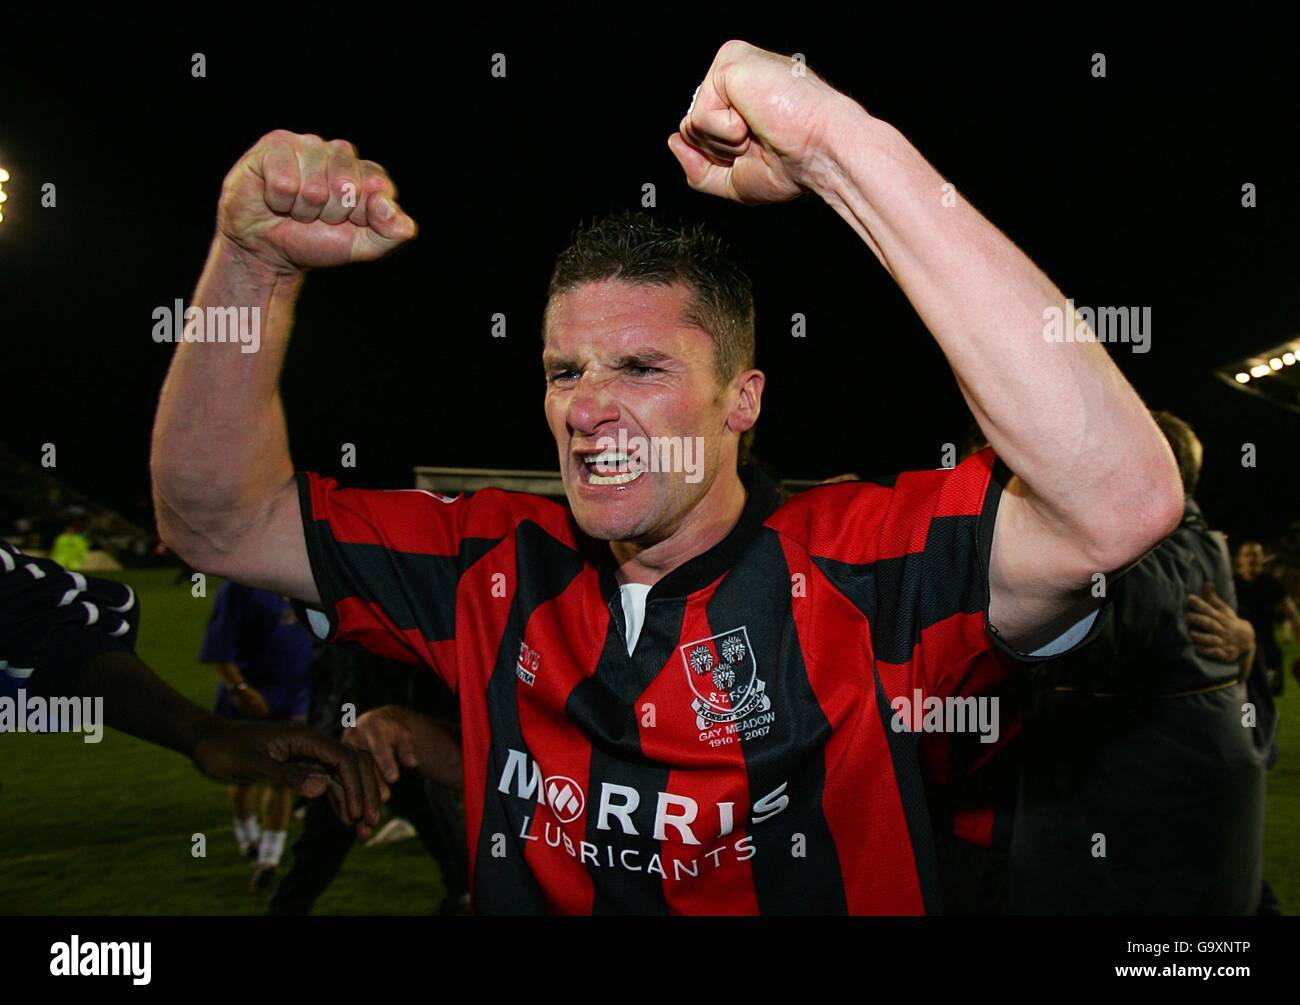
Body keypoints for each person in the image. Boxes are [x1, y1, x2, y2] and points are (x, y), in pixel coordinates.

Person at [149, 41, 1184, 914]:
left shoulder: (866, 569)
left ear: (742, 400)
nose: (587, 406)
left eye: (641, 369)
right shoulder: (493, 565)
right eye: (564, 370)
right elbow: (216, 520)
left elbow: (1117, 501)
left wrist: (836, 148)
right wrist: (253, 264)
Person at [1009, 412, 1272, 914]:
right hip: (1195, 785)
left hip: (1148, 799)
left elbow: (1075, 656)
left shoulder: (1146, 552)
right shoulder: (1198, 539)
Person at [0, 542, 382, 833]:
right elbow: (55, 617)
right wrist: (225, 704)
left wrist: (201, 732)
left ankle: (265, 853)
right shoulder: (239, 593)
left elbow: (43, 618)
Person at [268, 643, 468, 914]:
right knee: (317, 853)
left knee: (456, 856)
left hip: (409, 750)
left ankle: (461, 898)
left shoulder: (396, 618)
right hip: (351, 754)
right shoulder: (350, 624)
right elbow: (329, 681)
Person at [199, 581, 316, 891]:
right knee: (243, 777)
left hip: (294, 696)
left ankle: (269, 858)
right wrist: (239, 689)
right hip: (250, 693)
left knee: (284, 776)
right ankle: (246, 837)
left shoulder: (304, 579)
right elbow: (219, 649)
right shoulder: (238, 588)